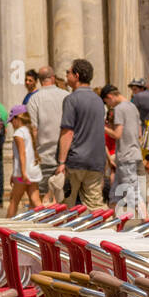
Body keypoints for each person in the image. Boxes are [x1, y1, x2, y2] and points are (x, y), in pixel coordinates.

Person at [56, 59, 107, 209]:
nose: (66, 76)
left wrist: (61, 162)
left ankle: (66, 232)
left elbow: (67, 132)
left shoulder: (72, 99)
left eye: (68, 72)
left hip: (75, 161)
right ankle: (107, 230)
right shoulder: (98, 100)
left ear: (76, 75)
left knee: (66, 205)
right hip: (95, 161)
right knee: (95, 205)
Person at [100, 83, 143, 216]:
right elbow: (140, 133)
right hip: (133, 153)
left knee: (133, 195)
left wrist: (103, 127)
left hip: (126, 155)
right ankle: (112, 224)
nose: (109, 106)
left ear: (109, 97)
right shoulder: (133, 106)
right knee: (114, 195)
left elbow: (117, 134)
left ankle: (145, 221)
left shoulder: (119, 109)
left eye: (107, 102)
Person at [26, 66, 67, 196]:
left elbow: (34, 129)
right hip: (65, 156)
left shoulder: (34, 99)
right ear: (53, 78)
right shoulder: (67, 96)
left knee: (43, 198)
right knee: (63, 199)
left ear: (39, 80)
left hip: (44, 156)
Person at [7, 105, 43, 215]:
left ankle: (7, 224)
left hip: (23, 172)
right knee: (36, 201)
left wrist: (22, 173)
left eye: (12, 120)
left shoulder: (18, 133)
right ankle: (47, 221)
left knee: (14, 201)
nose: (12, 123)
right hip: (33, 169)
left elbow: (22, 154)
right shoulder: (29, 131)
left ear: (18, 118)